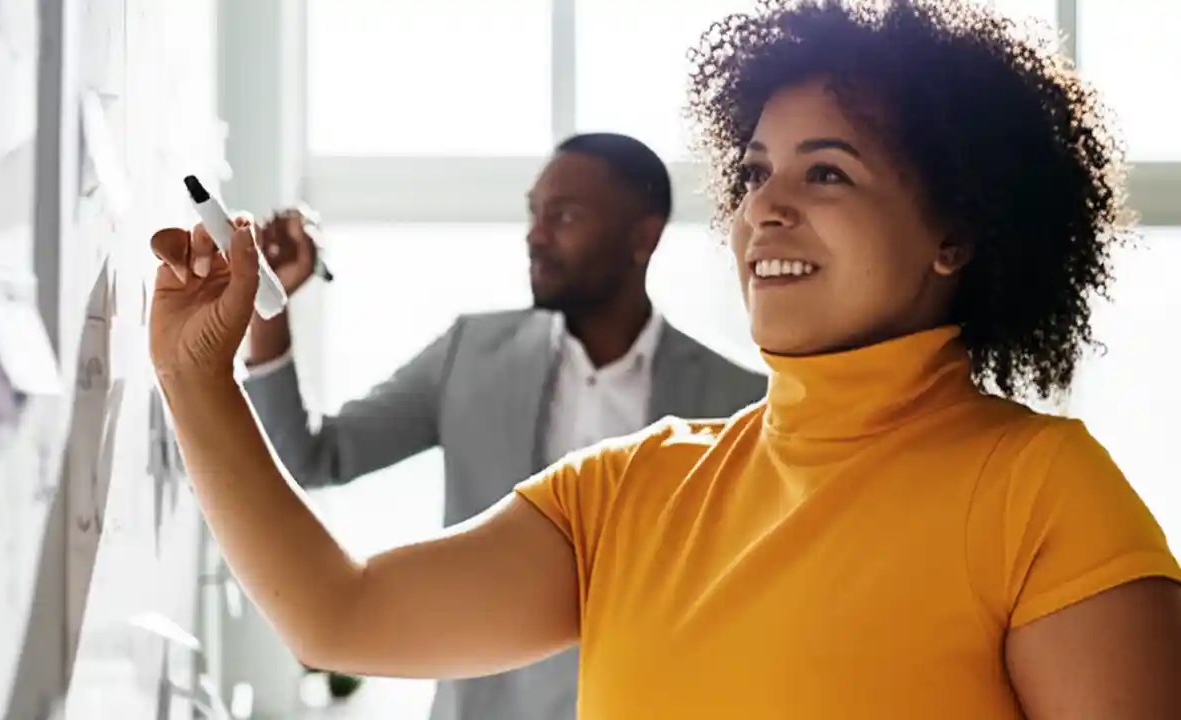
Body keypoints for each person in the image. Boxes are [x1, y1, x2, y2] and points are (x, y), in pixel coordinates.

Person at [148, 1, 1181, 717]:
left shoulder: (1041, 492)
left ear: (951, 231)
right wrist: (194, 375)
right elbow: (341, 615)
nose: (764, 207)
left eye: (827, 172)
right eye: (754, 171)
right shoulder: (631, 489)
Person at [240, 133, 767, 719]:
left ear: (643, 236)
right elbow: (311, 457)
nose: (535, 235)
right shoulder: (470, 354)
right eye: (533, 213)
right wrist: (271, 306)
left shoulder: (740, 400)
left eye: (563, 216)